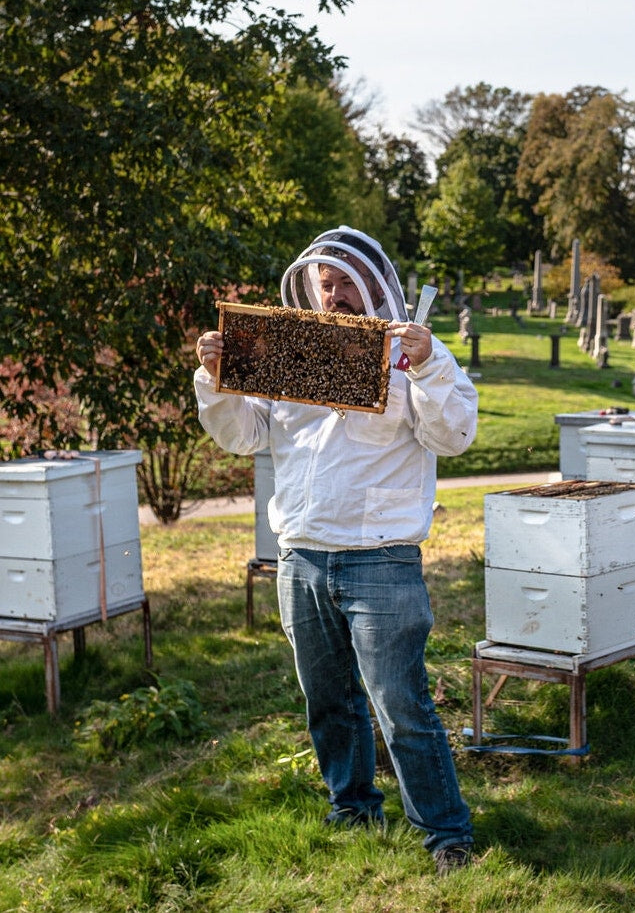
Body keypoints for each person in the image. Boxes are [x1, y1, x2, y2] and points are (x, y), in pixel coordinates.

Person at [193, 227, 477, 876]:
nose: (337, 295)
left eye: (347, 282)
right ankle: (352, 807)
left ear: (374, 283)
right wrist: (217, 379)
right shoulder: (288, 354)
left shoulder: (417, 356)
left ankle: (446, 834)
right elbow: (244, 436)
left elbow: (454, 433)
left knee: (401, 705)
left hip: (381, 557)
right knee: (327, 700)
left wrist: (430, 363)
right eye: (327, 284)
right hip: (302, 555)